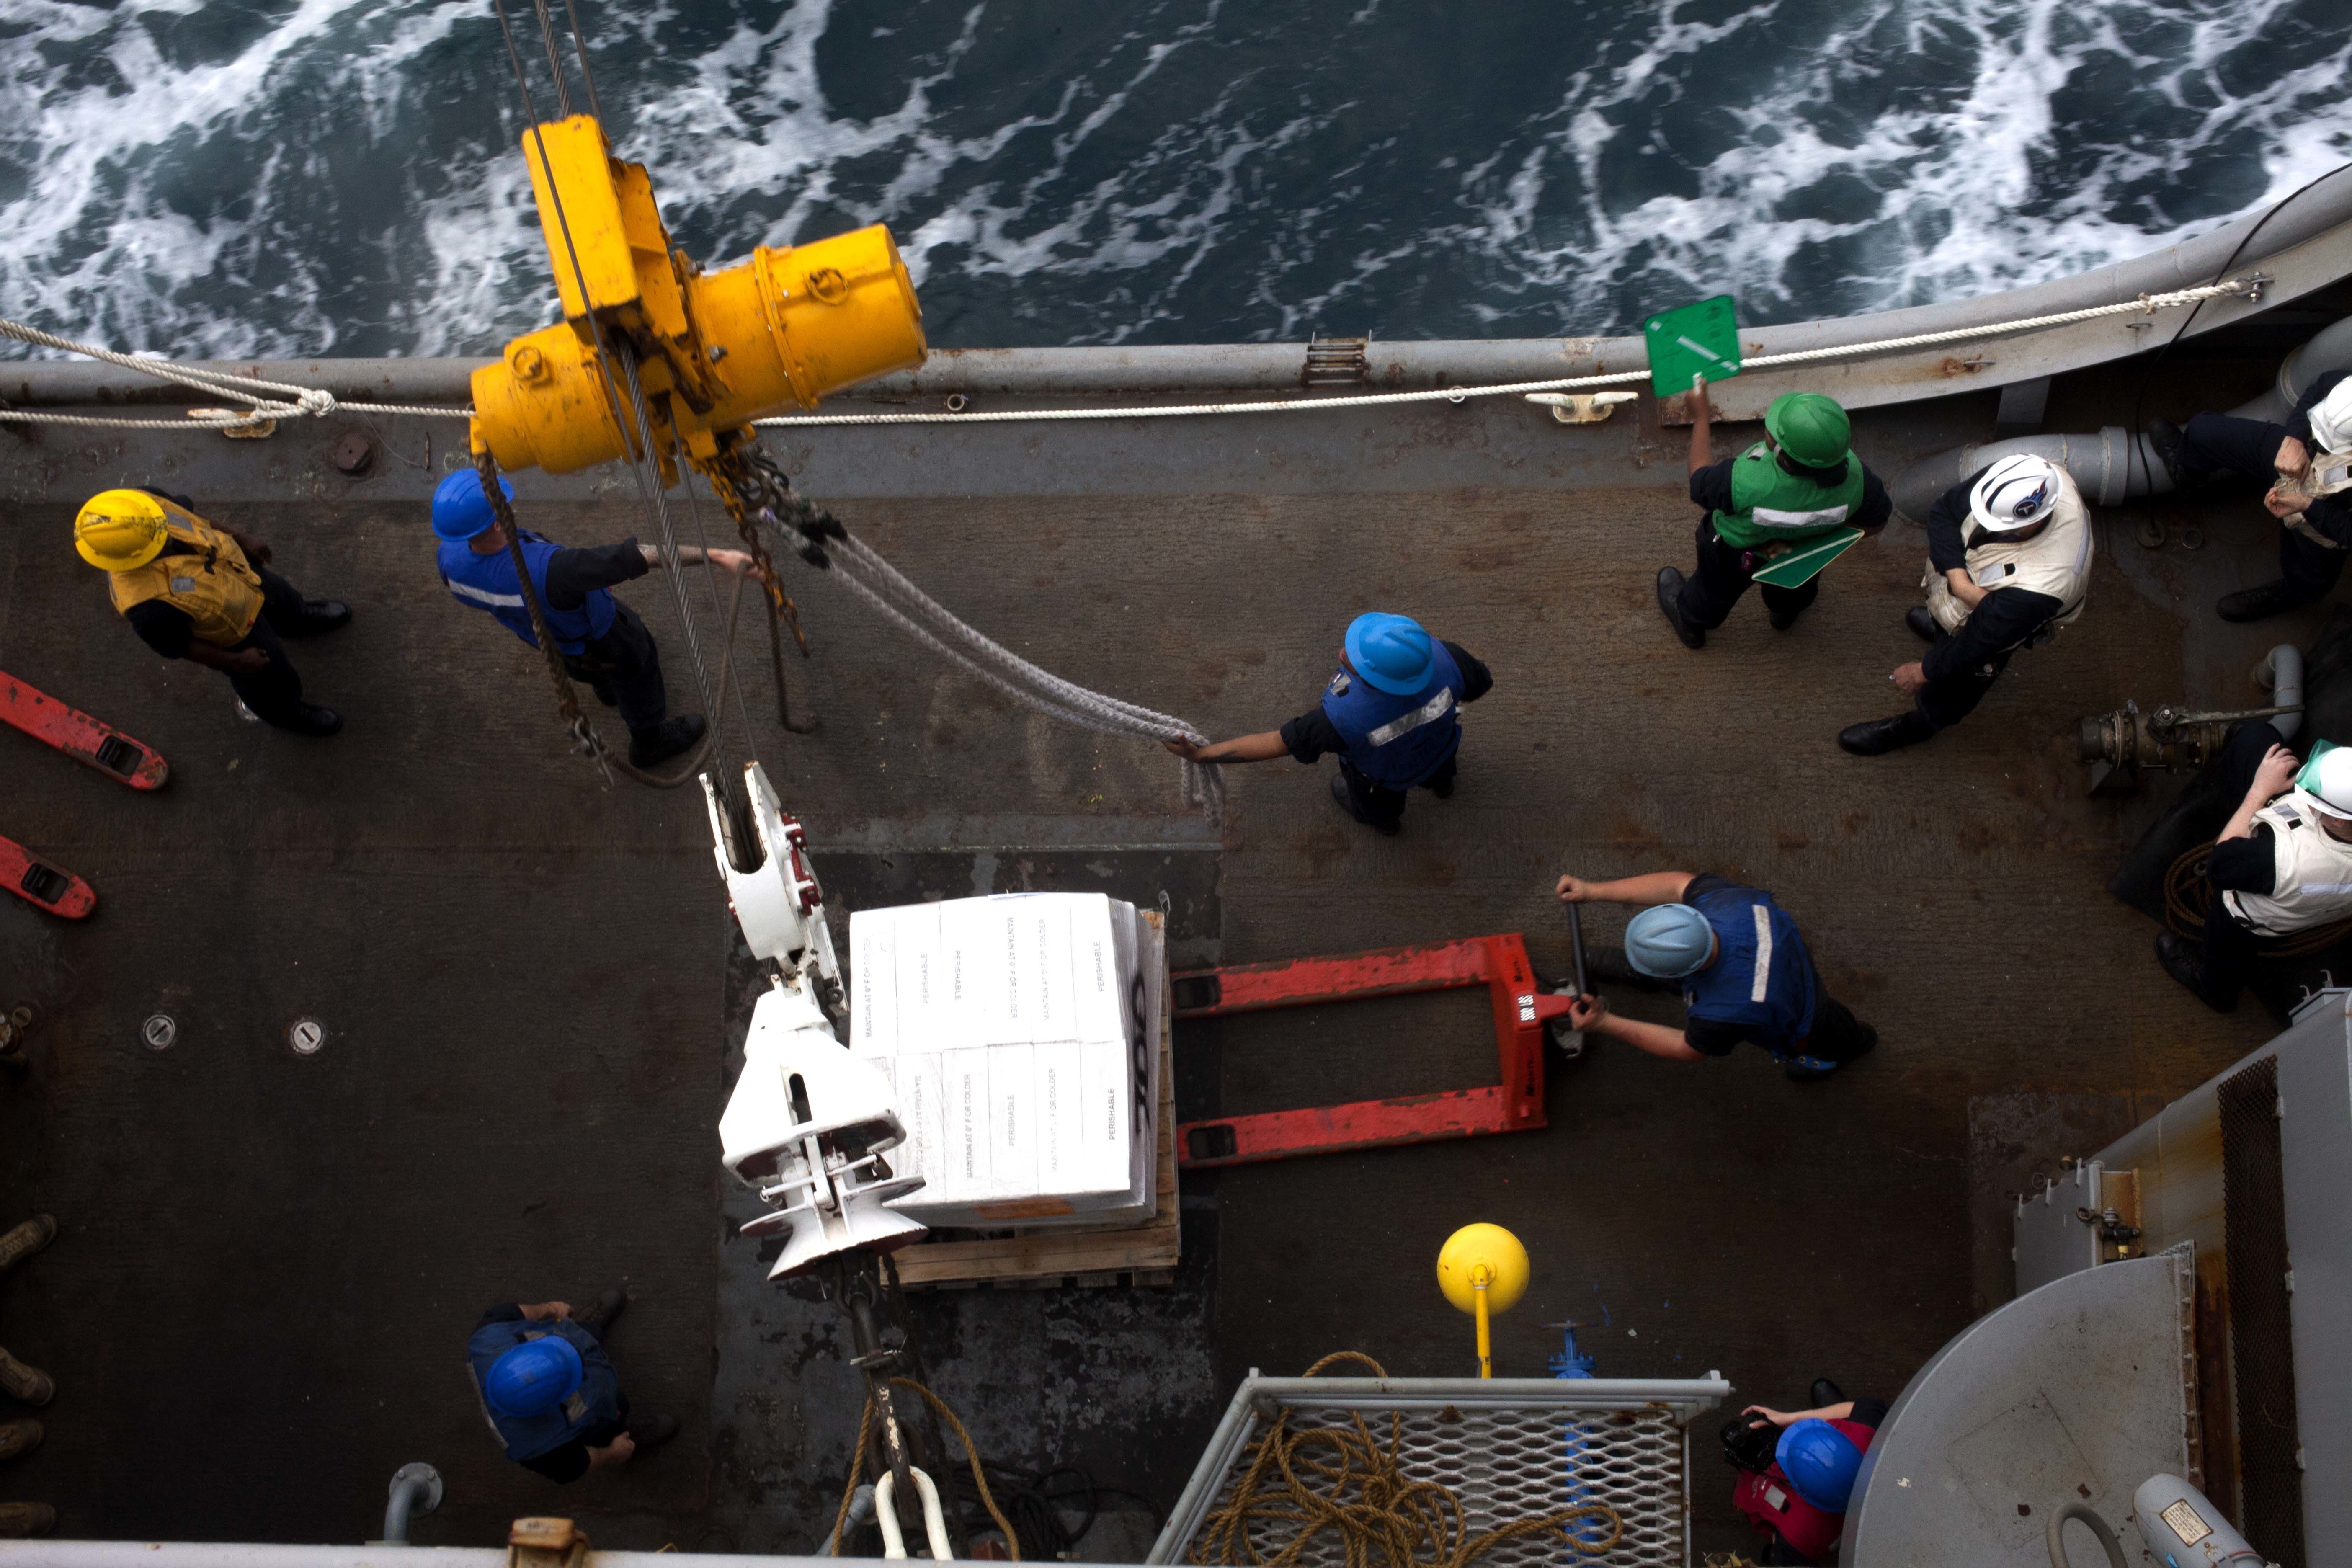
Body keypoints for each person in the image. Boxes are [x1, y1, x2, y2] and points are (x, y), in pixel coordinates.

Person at [431, 469, 765, 768]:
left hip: (550, 639)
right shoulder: (553, 571)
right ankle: (649, 742)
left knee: (583, 667)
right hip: (602, 637)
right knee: (638, 663)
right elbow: (635, 558)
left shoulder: (450, 560)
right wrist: (719, 556)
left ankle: (606, 688)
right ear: (495, 520)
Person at [1838, 454, 2092, 756]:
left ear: (2033, 519)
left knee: (1957, 685)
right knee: (1950, 627)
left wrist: (1924, 671)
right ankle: (1941, 627)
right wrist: (1960, 584)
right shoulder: (2020, 475)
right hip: (1981, 597)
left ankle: (1917, 726)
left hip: (2001, 627)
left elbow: (1980, 641)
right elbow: (1944, 511)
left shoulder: (2046, 583)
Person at [1162, 613, 1491, 836]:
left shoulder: (1341, 720)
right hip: (1440, 747)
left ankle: (1388, 824)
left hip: (1387, 777)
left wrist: (1201, 755)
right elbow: (1480, 685)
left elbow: (1275, 743)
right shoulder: (1448, 658)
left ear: (1377, 682)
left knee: (1376, 806)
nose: (1342, 654)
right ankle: (1443, 786)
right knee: (1441, 767)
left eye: (1355, 659)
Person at [1554, 868, 1876, 1081]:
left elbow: (1687, 1049)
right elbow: (1678, 884)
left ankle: (1848, 1048)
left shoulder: (1720, 1016)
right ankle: (1645, 973)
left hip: (1807, 1013)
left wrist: (1605, 1023)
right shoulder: (1726, 902)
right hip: (1781, 957)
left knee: (1837, 1033)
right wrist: (1592, 890)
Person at [75, 488, 350, 737]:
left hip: (236, 569)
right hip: (236, 632)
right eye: (155, 541)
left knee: (283, 598)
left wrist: (240, 538)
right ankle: (288, 714)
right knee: (269, 682)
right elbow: (182, 647)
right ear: (131, 557)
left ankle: (299, 619)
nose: (167, 537)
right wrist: (237, 662)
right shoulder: (146, 607)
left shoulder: (137, 503)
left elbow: (192, 519)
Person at [1655, 382, 1890, 649]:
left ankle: (1691, 622)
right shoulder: (1860, 480)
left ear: (1783, 454)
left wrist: (1700, 417)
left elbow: (1700, 482)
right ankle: (1784, 614)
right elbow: (1876, 521)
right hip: (1798, 553)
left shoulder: (1746, 483)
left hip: (1737, 553)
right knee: (1794, 590)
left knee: (1713, 591)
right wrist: (1821, 536)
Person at [2156, 725, 2352, 1011]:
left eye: (2315, 798)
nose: (2306, 790)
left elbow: (2221, 865)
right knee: (2255, 737)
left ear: (2337, 821)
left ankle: (2216, 990)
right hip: (2299, 854)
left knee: (2227, 944)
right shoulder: (2339, 825)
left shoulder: (2288, 863)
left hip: (2246, 916)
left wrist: (2260, 791)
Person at [2148, 369, 2352, 622]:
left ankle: (2291, 594)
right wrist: (2295, 438)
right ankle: (2186, 475)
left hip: (2329, 516)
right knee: (2203, 432)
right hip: (2293, 455)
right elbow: (2320, 388)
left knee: (2311, 576)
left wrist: (2305, 506)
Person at [466, 1291, 678, 1484]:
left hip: (561, 1340)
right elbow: (575, 1465)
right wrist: (612, 1454)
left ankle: (585, 1329)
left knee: (583, 1334)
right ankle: (623, 1437)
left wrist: (552, 1308)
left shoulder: (487, 1337)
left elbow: (512, 1312)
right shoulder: (538, 1451)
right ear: (549, 1405)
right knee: (615, 1410)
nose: (575, 1355)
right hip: (593, 1414)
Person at [1724, 1379, 1887, 1565]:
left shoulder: (1798, 1538)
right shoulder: (1866, 1433)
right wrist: (1787, 1418)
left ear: (1799, 1489)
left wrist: (1778, 1540)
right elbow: (1857, 1408)